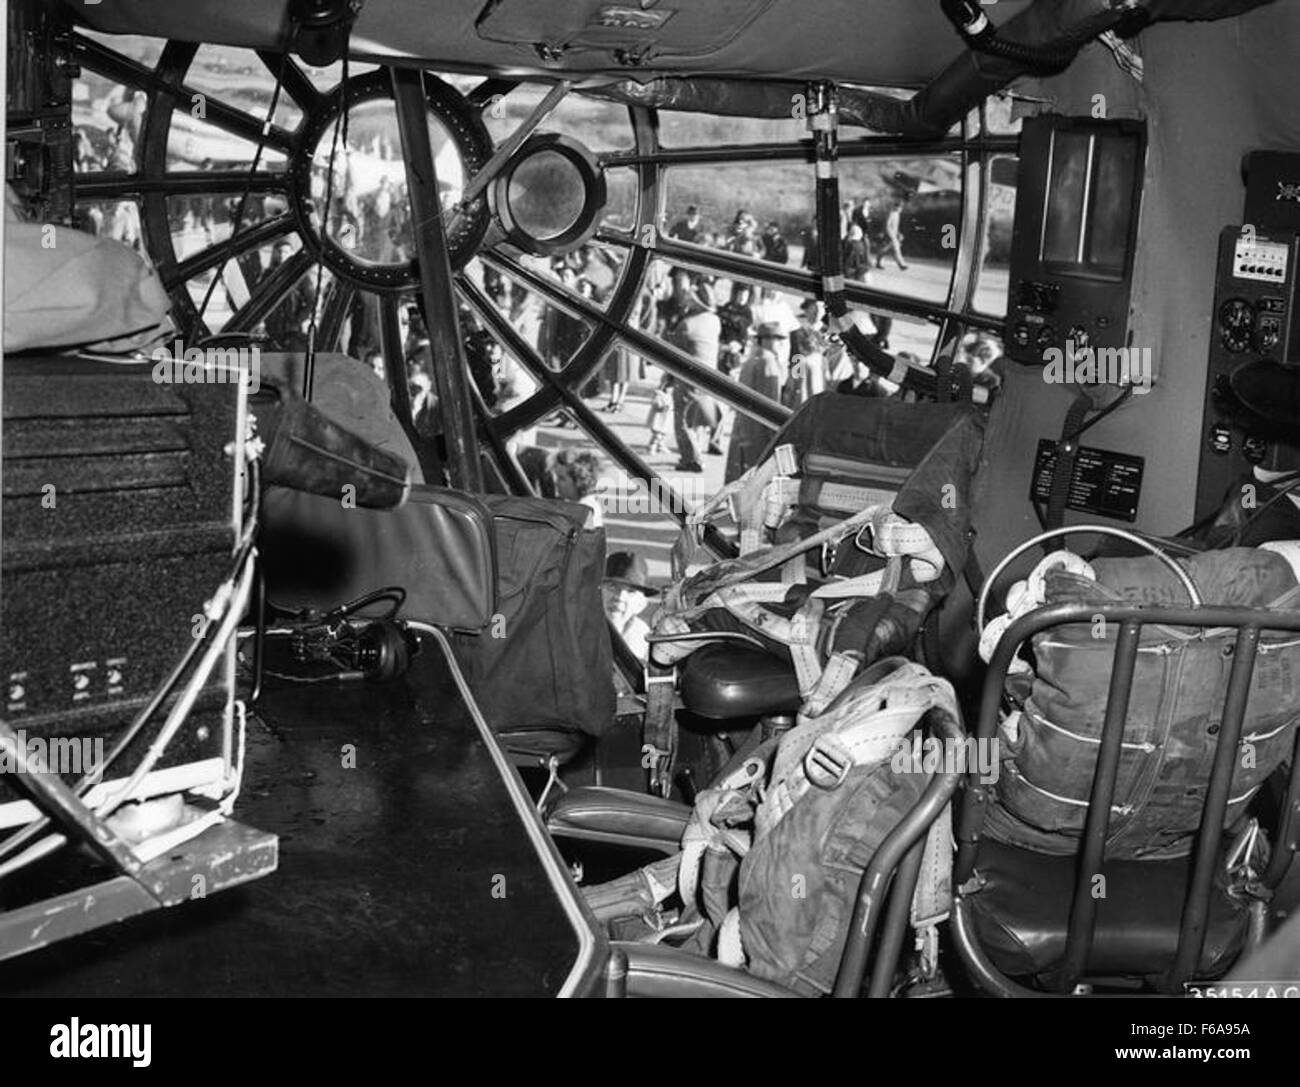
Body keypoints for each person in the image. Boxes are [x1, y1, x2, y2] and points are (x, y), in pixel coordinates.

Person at [726, 322, 786, 483]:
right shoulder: (768, 362)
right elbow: (771, 404)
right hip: (759, 430)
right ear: (765, 340)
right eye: (777, 339)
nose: (781, 343)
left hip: (744, 426)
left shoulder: (752, 359)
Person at [602, 551, 658, 659]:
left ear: (642, 604)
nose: (619, 597)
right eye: (612, 587)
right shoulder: (576, 630)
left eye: (631, 591)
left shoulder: (644, 637)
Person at [717, 282, 755, 377]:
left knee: (731, 373)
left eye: (745, 294)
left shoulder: (747, 311)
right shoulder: (728, 306)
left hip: (736, 347)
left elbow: (745, 324)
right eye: (740, 294)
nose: (742, 297)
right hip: (723, 343)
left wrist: (733, 319)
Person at [878, 195, 909, 270]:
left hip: (893, 235)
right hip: (889, 235)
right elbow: (887, 226)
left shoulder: (897, 214)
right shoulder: (891, 213)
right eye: (900, 207)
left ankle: (879, 262)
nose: (901, 209)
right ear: (896, 207)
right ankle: (901, 265)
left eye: (901, 207)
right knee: (894, 249)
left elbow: (895, 226)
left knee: (887, 250)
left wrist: (898, 233)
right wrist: (891, 236)